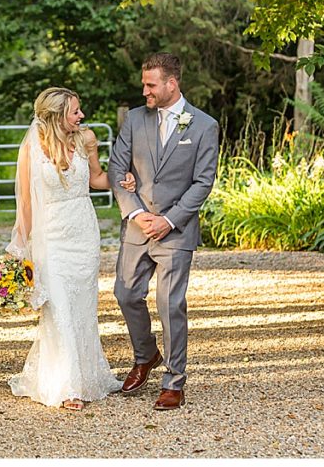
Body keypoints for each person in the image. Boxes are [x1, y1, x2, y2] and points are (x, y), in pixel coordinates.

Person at [5, 87, 135, 411]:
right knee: (59, 307)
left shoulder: (86, 139)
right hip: (51, 236)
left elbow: (97, 179)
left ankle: (86, 376)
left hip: (83, 233)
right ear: (56, 115)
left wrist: (124, 179)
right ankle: (67, 385)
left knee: (82, 308)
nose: (82, 116)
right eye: (75, 111)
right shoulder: (31, 148)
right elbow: (25, 203)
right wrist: (18, 246)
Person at [107, 52, 220, 411]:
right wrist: (137, 212)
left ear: (172, 83)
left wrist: (169, 220)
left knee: (170, 304)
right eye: (144, 84)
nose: (145, 91)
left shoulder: (204, 126)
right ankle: (146, 355)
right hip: (137, 226)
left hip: (175, 231)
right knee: (126, 294)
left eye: (151, 85)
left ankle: (173, 381)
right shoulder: (134, 119)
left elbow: (203, 182)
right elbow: (116, 168)